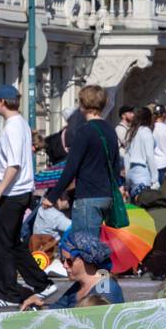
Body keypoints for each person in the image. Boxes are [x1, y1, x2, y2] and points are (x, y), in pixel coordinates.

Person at [0, 83, 55, 307]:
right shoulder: (21, 124)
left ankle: (8, 294)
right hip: (20, 190)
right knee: (13, 243)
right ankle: (42, 284)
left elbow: (14, 165)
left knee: (1, 244)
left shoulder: (12, 127)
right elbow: (17, 162)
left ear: (1, 103)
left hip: (12, 193)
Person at [45, 84, 121, 235]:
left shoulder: (84, 131)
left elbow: (71, 168)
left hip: (88, 196)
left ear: (82, 104)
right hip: (106, 196)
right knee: (95, 244)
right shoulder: (110, 130)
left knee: (85, 246)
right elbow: (116, 165)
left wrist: (53, 196)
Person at [23, 231, 124, 308]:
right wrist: (37, 304)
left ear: (86, 260)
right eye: (63, 261)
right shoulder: (79, 286)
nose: (65, 266)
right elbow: (56, 310)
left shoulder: (106, 290)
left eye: (69, 261)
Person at [123, 106, 158, 197]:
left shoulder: (131, 132)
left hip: (131, 173)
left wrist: (127, 180)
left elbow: (126, 157)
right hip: (143, 174)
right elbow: (149, 156)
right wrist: (155, 179)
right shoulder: (146, 132)